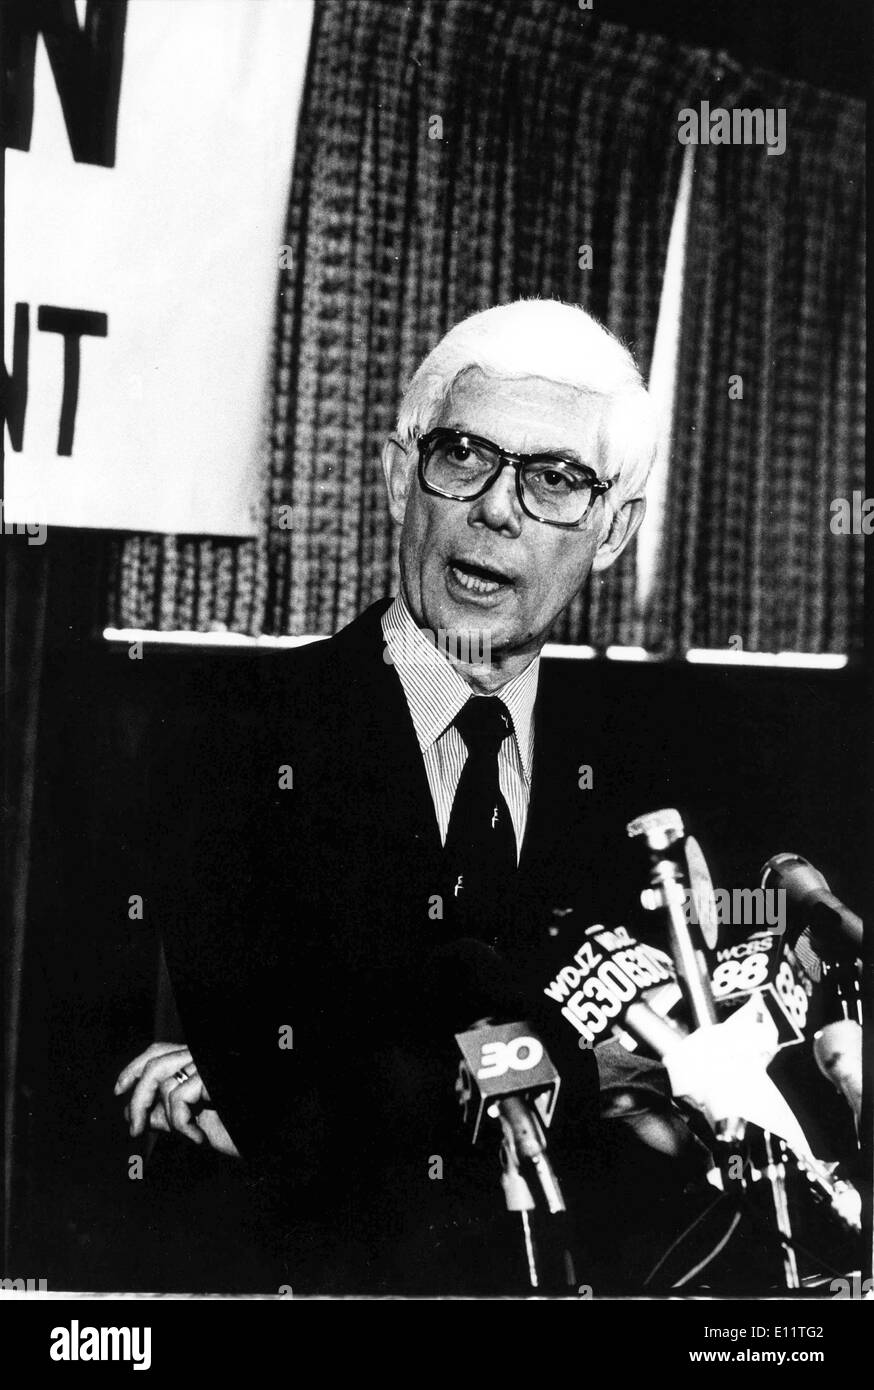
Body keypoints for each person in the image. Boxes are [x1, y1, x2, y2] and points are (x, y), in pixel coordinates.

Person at [116, 299, 687, 1293]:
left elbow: (705, 1092)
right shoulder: (232, 734)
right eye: (464, 455)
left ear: (613, 530)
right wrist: (593, 1076)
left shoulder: (657, 761)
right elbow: (303, 1106)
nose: (498, 509)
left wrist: (551, 1079)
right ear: (396, 476)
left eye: (555, 479)